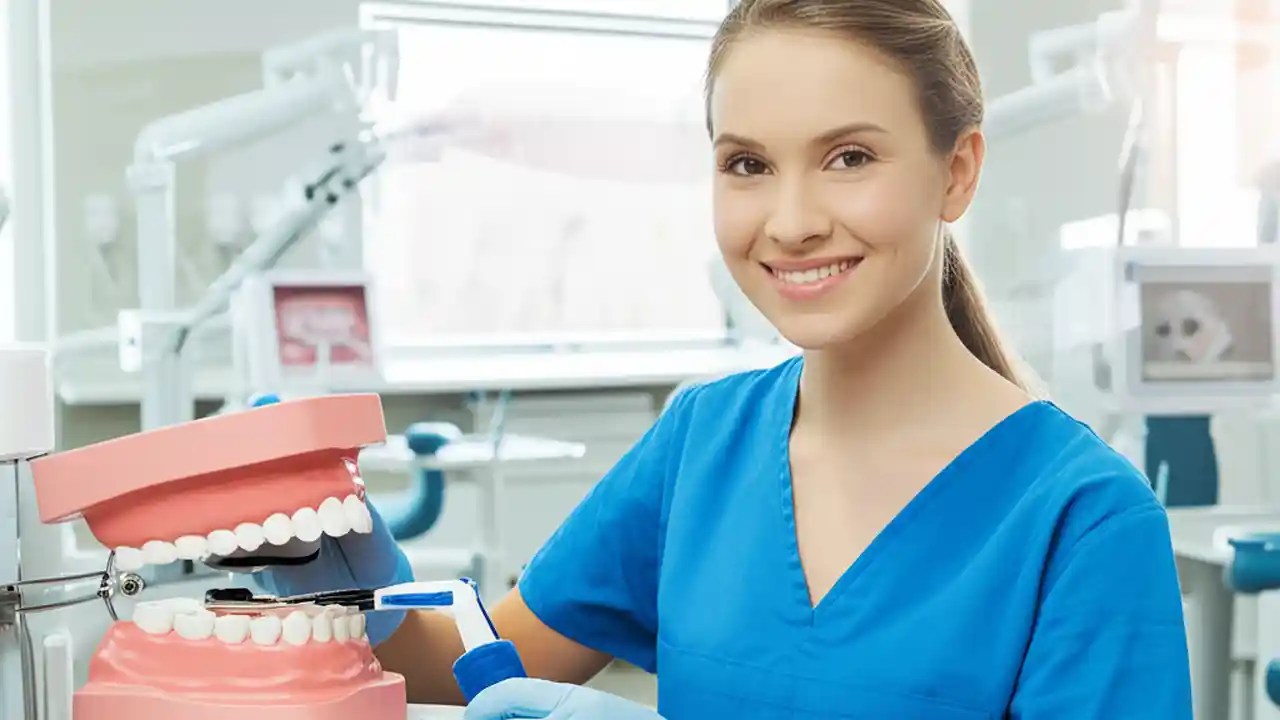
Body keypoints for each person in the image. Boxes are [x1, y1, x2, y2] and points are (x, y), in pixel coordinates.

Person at [258, 0, 1194, 716]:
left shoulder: (1084, 521)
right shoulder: (703, 444)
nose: (790, 222)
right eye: (748, 165)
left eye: (850, 157)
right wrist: (330, 560)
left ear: (957, 172)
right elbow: (472, 674)